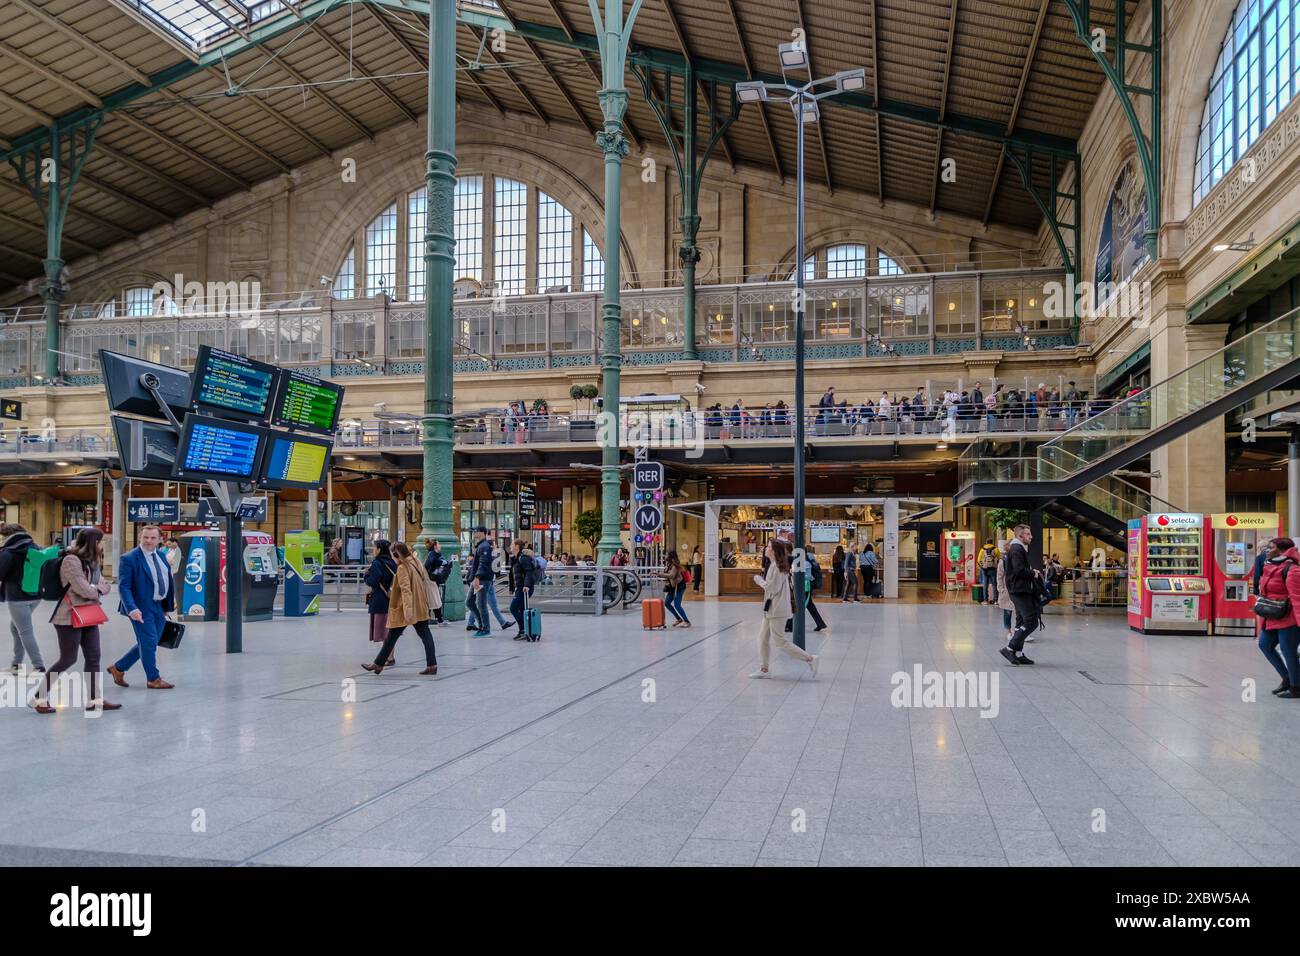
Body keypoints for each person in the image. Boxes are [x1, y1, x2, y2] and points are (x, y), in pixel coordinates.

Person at [30, 527, 117, 714]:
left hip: (89, 613)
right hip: (68, 616)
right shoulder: (71, 560)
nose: (103, 544)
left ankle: (95, 699)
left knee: (94, 657)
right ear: (94, 542)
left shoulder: (92, 562)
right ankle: (38, 697)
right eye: (101, 541)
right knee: (68, 658)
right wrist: (97, 589)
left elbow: (106, 585)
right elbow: (84, 589)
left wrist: (96, 588)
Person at [108, 525, 177, 691]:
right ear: (140, 537)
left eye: (153, 538)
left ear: (160, 539)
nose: (148, 541)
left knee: (149, 642)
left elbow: (166, 580)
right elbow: (124, 586)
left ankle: (118, 668)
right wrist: (132, 609)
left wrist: (167, 604)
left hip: (159, 607)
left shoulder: (161, 556)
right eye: (145, 537)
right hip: (140, 608)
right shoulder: (129, 558)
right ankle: (153, 678)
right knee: (149, 642)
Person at [363, 542, 437, 675]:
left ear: (396, 554)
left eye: (392, 555)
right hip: (420, 605)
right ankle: (432, 665)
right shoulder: (415, 561)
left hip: (407, 608)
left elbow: (406, 590)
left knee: (393, 635)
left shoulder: (403, 568)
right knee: (423, 635)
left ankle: (378, 664)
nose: (391, 557)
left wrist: (408, 612)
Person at [749, 538, 818, 680]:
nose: (765, 549)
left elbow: (773, 588)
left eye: (768, 547)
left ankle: (810, 658)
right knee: (762, 638)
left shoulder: (777, 567)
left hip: (777, 610)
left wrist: (759, 580)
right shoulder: (775, 565)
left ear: (774, 551)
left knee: (780, 641)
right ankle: (764, 668)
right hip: (771, 609)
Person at [1255, 537, 1300, 697]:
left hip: (1289, 618)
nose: (1268, 550)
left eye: (1271, 547)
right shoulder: (1270, 565)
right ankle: (1288, 678)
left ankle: (1296, 687)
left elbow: (1297, 597)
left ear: (1281, 550)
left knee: (1288, 651)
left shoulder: (1292, 569)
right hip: (1273, 615)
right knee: (1264, 645)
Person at [0, 522, 44, 674]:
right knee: (15, 627)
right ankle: (16, 664)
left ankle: (38, 666)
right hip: (36, 594)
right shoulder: (36, 547)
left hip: (17, 598)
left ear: (7, 536)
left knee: (25, 631)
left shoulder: (9, 552)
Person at [999, 523, 1039, 666]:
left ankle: (1018, 653)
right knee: (1031, 620)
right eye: (1028, 534)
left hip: (1018, 589)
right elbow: (1018, 570)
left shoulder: (1017, 548)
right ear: (1020, 535)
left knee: (1021, 621)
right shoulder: (1017, 549)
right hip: (1019, 589)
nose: (1031, 536)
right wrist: (1033, 573)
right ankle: (1009, 648)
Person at [364, 539, 397, 662]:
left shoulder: (377, 563)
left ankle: (388, 657)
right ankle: (391, 655)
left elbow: (372, 580)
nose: (373, 550)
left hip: (380, 600)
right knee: (390, 629)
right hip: (391, 598)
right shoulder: (392, 562)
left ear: (379, 549)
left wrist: (366, 576)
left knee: (384, 631)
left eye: (375, 547)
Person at [468, 526, 495, 637]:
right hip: (479, 578)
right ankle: (482, 625)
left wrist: (477, 577)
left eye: (476, 531)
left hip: (482, 579)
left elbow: (483, 564)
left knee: (481, 604)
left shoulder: (484, 547)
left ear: (483, 533)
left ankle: (485, 628)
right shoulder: (481, 546)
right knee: (469, 602)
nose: (474, 533)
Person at [508, 538, 538, 641]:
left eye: (512, 544)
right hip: (520, 588)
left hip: (524, 588)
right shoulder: (516, 558)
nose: (510, 546)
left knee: (513, 608)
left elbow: (529, 572)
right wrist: (512, 588)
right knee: (521, 609)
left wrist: (526, 585)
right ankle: (525, 631)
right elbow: (514, 575)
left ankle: (524, 631)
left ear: (517, 546)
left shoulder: (523, 558)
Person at [422, 537, 449, 625]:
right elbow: (434, 561)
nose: (440, 545)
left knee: (434, 598)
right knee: (434, 598)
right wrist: (445, 563)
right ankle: (435, 619)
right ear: (435, 546)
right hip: (430, 580)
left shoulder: (434, 553)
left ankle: (437, 619)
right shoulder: (432, 553)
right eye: (438, 544)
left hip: (431, 580)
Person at [996, 538, 1016, 643]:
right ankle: (1008, 632)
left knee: (1020, 612)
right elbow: (999, 576)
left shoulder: (1018, 559)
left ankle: (1019, 632)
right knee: (1007, 611)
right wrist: (1001, 589)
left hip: (1017, 589)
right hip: (1007, 590)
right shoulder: (1002, 562)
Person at [663, 552, 690, 628]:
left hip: (679, 587)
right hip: (672, 587)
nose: (665, 556)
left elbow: (671, 575)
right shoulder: (669, 565)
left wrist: (658, 574)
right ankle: (679, 619)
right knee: (667, 603)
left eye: (667, 555)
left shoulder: (675, 566)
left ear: (671, 557)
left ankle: (687, 621)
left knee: (677, 605)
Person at [978, 539, 1000, 605]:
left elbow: (978, 560)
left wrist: (982, 567)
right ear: (992, 542)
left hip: (985, 569)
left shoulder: (982, 549)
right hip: (993, 569)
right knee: (994, 585)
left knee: (985, 585)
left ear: (986, 542)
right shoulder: (995, 549)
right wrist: (996, 565)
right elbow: (1000, 558)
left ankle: (985, 600)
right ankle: (995, 600)